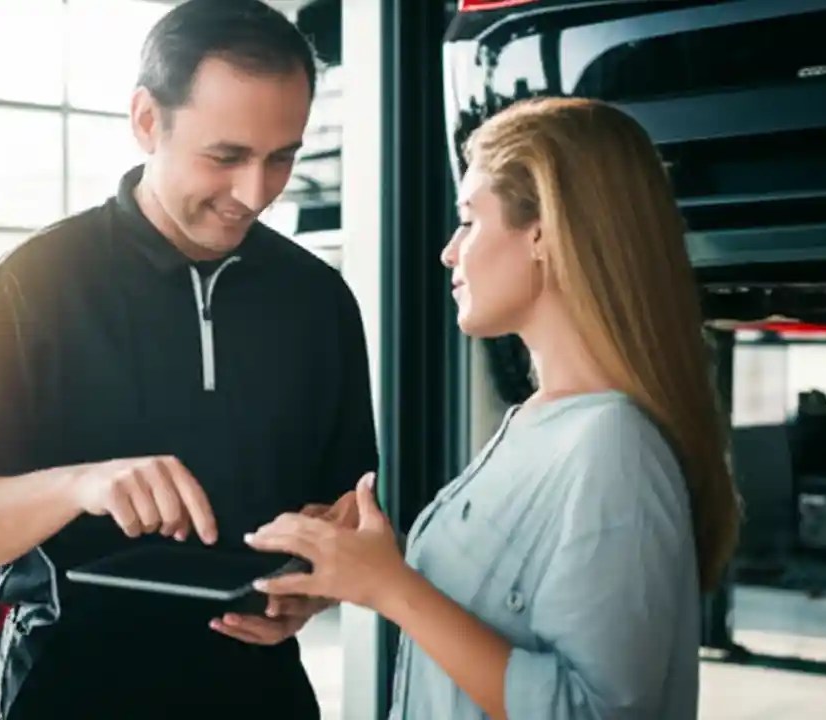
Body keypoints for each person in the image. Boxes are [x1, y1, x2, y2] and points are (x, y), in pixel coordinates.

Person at [0, 1, 377, 718]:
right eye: (226, 156)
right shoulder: (37, 280)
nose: (254, 194)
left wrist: (312, 584)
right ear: (148, 120)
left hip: (262, 693)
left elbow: (342, 513)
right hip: (73, 690)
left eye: (282, 157)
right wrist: (81, 485)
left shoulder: (320, 299)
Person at [246, 96, 743, 719]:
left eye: (469, 219)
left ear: (543, 232)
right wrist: (357, 571)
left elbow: (593, 713)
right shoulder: (539, 422)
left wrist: (393, 589)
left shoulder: (613, 448)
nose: (450, 252)